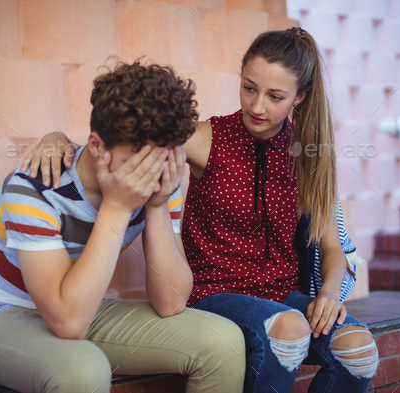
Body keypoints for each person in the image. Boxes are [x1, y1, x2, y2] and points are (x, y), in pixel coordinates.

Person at [25, 28, 379, 393]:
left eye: (275, 96)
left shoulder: (308, 155)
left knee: (358, 352)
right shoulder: (204, 138)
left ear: (300, 97)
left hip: (284, 294)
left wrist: (330, 295)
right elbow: (125, 138)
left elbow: (332, 246)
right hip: (214, 292)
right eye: (249, 88)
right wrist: (58, 139)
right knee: (289, 330)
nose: (257, 106)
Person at [0, 61, 246, 393]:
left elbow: (171, 303)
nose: (151, 172)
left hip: (85, 306)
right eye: (139, 160)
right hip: (2, 317)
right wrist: (116, 206)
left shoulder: (159, 177)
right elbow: (68, 322)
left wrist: (156, 207)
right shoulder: (34, 188)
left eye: (165, 157)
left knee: (223, 341)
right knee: (83, 369)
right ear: (98, 146)